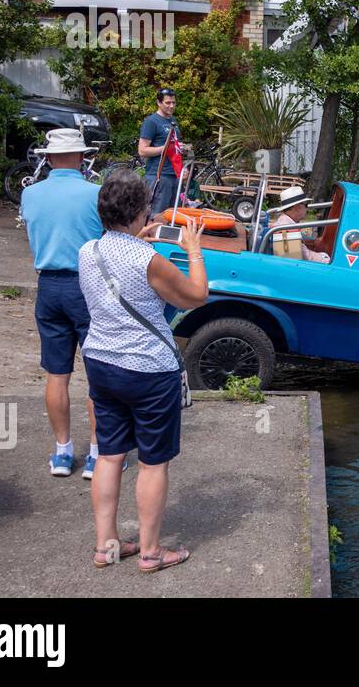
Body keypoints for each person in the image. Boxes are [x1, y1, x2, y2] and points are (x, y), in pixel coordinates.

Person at [77, 171, 208, 573]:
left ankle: (107, 546)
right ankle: (151, 552)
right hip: (149, 370)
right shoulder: (148, 259)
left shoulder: (87, 251)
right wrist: (194, 249)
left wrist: (135, 237)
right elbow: (197, 295)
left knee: (109, 454)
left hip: (100, 361)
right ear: (140, 212)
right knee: (153, 462)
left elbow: (120, 272)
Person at [19, 129, 105, 478]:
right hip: (87, 284)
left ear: (48, 158)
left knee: (57, 374)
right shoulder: (95, 193)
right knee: (99, 373)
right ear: (82, 157)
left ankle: (62, 452)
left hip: (48, 285)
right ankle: (99, 453)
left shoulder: (30, 194)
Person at [138, 88, 181, 216]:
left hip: (174, 175)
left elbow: (174, 148)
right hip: (158, 177)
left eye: (173, 102)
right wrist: (166, 148)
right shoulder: (151, 122)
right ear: (159, 102)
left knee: (174, 217)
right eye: (168, 103)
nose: (171, 106)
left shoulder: (173, 121)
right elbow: (142, 150)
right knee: (156, 217)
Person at [272, 185, 329, 263]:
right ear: (298, 207)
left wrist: (314, 241)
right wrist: (325, 258)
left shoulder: (286, 224)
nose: (307, 208)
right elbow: (296, 261)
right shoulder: (286, 230)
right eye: (306, 205)